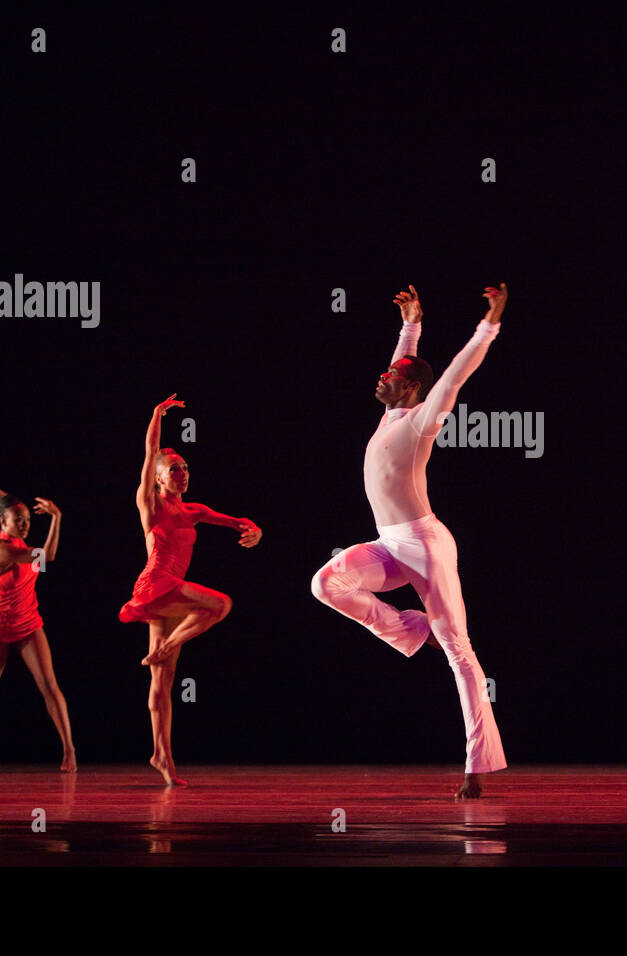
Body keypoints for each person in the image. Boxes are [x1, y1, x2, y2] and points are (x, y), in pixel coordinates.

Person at [311, 283, 509, 799]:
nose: (384, 374)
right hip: (388, 545)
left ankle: (476, 765)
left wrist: (489, 323)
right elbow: (406, 364)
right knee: (327, 583)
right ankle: (405, 628)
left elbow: (454, 374)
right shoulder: (391, 412)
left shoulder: (422, 420)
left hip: (425, 545)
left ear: (410, 389)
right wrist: (412, 325)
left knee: (458, 651)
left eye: (392, 375)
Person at [120, 394, 263, 785]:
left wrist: (253, 531)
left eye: (184, 467)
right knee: (219, 604)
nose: (181, 472)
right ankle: (164, 648)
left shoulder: (193, 511)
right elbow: (150, 452)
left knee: (162, 681)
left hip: (168, 599)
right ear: (159, 478)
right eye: (174, 469)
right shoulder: (150, 503)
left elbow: (237, 521)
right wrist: (155, 415)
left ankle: (160, 756)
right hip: (156, 586)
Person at [0, 480, 76, 773]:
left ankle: (69, 752)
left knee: (50, 687)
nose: (25, 525)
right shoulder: (2, 551)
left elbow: (8, 504)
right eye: (19, 521)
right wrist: (56, 517)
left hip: (27, 621)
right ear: (4, 523)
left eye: (28, 520)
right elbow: (48, 556)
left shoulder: (17, 537)